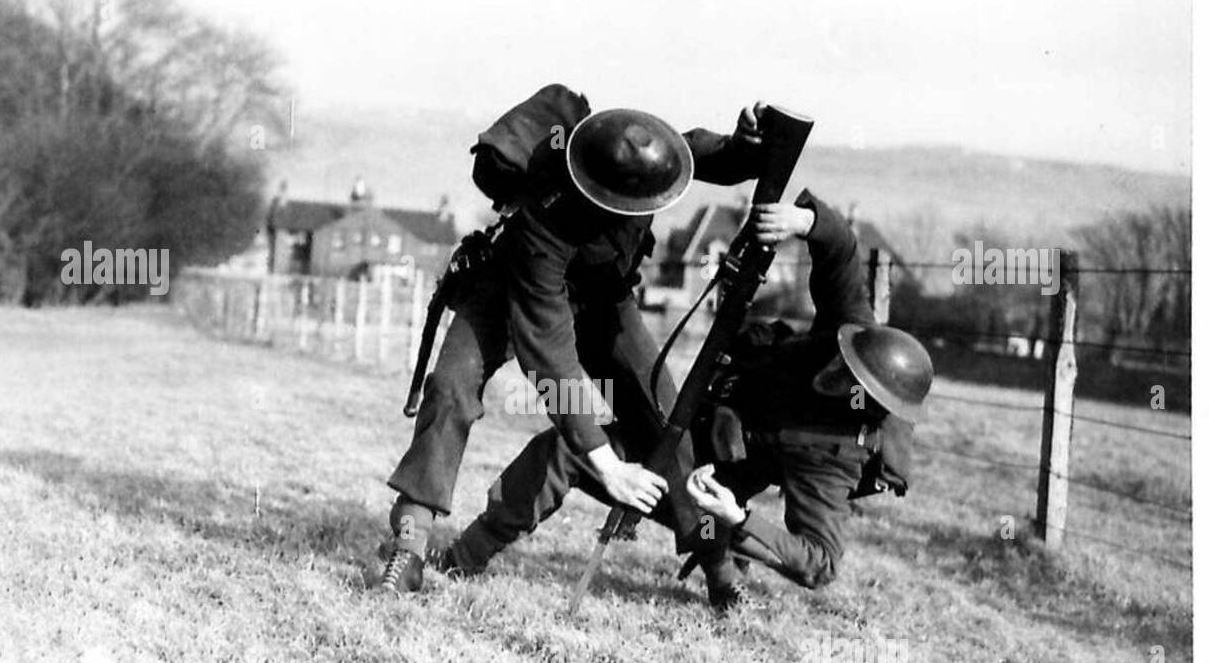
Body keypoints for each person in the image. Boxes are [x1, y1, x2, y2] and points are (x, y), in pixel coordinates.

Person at [432, 189, 935, 610]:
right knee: (566, 447)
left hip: (707, 487)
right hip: (689, 418)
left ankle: (723, 574)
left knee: (575, 456)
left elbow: (820, 563)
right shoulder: (852, 335)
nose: (833, 366)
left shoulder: (835, 454)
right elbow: (842, 251)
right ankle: (465, 556)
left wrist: (737, 517)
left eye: (844, 378)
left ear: (862, 399)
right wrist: (801, 221)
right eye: (843, 357)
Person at [380, 97, 780, 596]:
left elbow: (700, 154)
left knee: (669, 427)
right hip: (511, 292)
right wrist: (605, 463)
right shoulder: (545, 223)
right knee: (451, 390)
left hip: (603, 302)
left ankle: (719, 571)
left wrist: (746, 147)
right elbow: (552, 364)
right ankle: (410, 548)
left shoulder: (643, 155)